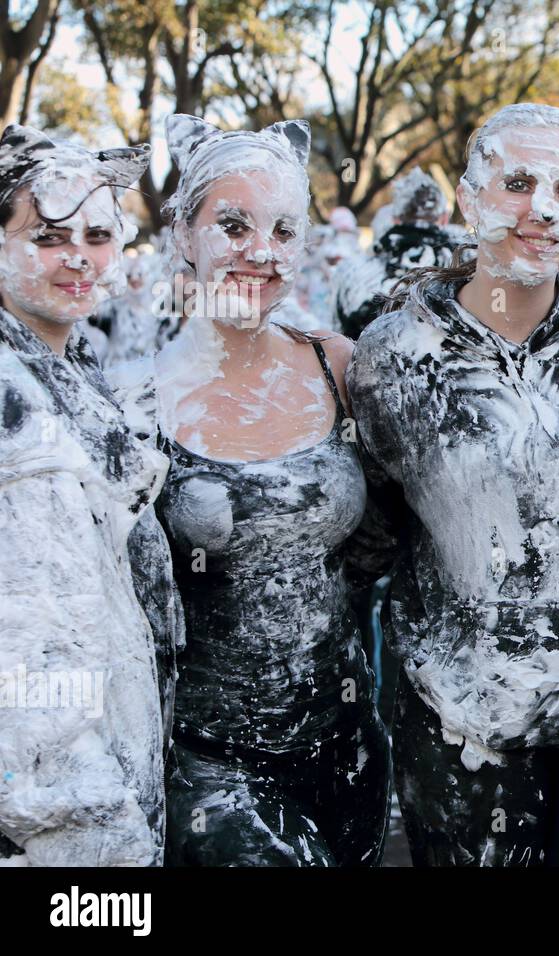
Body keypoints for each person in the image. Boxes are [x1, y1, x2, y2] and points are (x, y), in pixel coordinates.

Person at [347, 103, 559, 867]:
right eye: (518, 182)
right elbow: (374, 530)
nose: (544, 208)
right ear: (469, 198)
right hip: (462, 713)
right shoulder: (395, 354)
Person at [140, 114, 391, 866]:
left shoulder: (338, 366)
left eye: (285, 230)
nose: (262, 252)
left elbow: (397, 530)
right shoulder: (138, 401)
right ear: (183, 232)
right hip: (209, 757)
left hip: (345, 741)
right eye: (234, 224)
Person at [0, 124, 176, 866]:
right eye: (46, 235)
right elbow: (35, 653)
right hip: (57, 826)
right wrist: (95, 843)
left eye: (98, 234)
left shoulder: (71, 362)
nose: (79, 255)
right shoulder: (12, 402)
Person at [332, 167, 462, 339]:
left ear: (395, 219)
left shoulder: (351, 272)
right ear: (444, 219)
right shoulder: (464, 268)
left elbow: (338, 341)